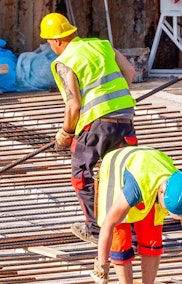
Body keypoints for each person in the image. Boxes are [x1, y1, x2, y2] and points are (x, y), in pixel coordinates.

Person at [40, 12, 139, 244]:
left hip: (98, 124)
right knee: (123, 173)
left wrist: (65, 134)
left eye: (48, 42)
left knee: (81, 173)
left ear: (57, 40)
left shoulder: (65, 60)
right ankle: (132, 232)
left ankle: (94, 228)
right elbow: (130, 72)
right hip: (125, 118)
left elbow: (74, 105)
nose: (50, 46)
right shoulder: (101, 44)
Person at [88, 146, 182, 284]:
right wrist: (101, 265)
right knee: (121, 238)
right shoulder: (136, 187)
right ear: (162, 192)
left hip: (150, 178)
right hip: (117, 172)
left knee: (152, 240)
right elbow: (109, 224)